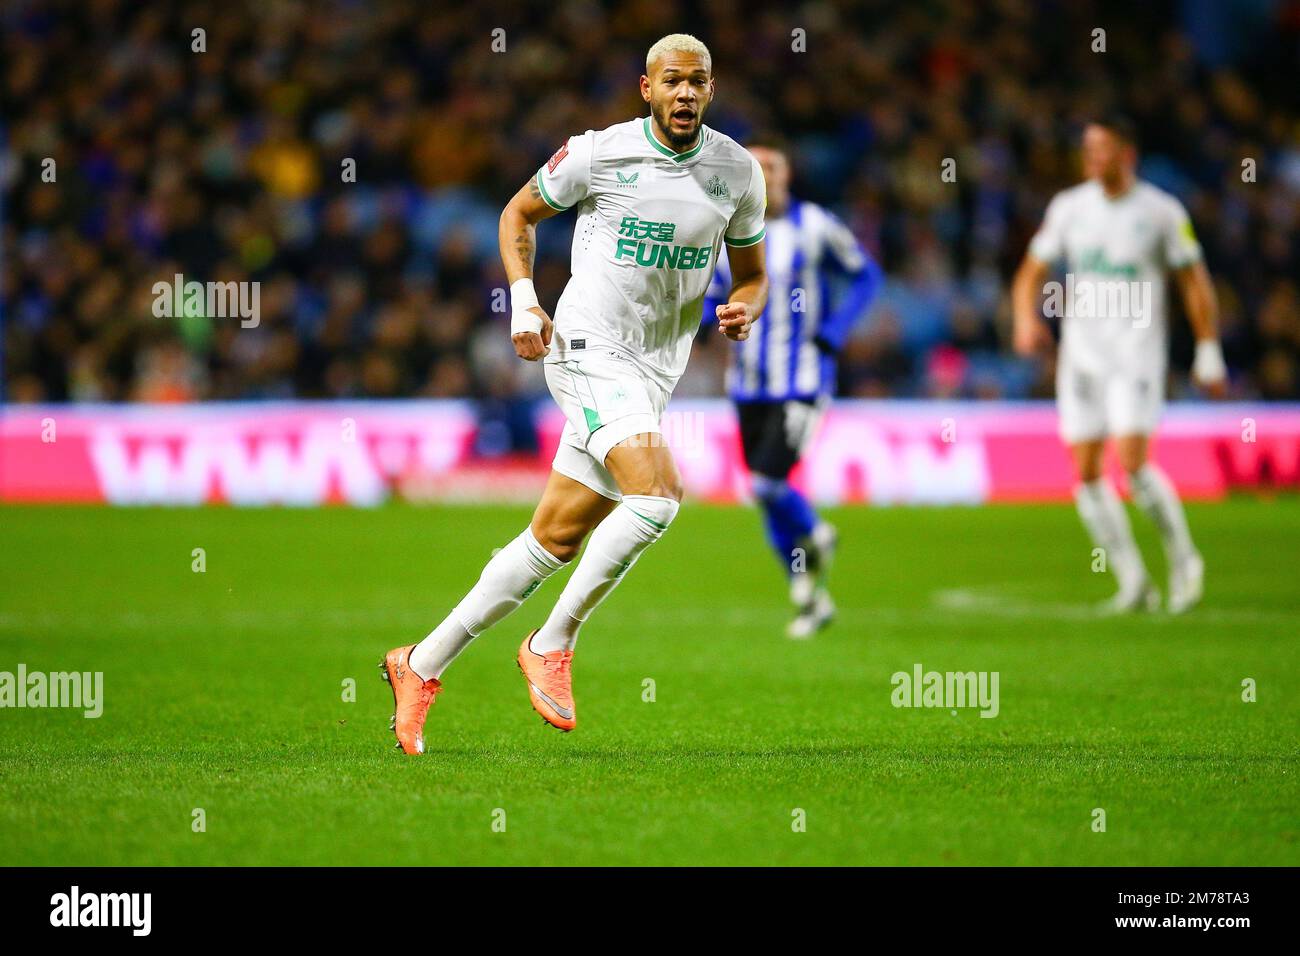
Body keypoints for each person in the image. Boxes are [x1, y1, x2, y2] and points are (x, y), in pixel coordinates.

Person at [380, 34, 769, 752]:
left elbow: (751, 272)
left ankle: (419, 663)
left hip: (654, 372)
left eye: (700, 82)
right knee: (656, 494)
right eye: (673, 81)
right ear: (645, 87)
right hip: (587, 347)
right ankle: (552, 643)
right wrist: (525, 302)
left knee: (554, 539)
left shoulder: (738, 174)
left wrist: (747, 303)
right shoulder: (599, 152)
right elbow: (516, 215)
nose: (686, 93)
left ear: (712, 91)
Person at [1011, 117, 1226, 614]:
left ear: (1127, 153)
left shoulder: (1161, 212)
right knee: (1086, 473)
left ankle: (1184, 560)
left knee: (1132, 463)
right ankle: (1133, 582)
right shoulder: (1069, 208)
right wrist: (1025, 319)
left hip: (1136, 354)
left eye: (1103, 148)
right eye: (1088, 148)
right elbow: (1031, 272)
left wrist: (1207, 347)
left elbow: (1194, 280)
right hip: (1082, 357)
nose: (1093, 157)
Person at [704, 144, 882, 637]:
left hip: (802, 380)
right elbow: (712, 298)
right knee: (766, 492)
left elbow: (866, 274)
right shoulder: (726, 232)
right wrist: (701, 322)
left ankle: (820, 533)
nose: (765, 176)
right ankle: (808, 597)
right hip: (745, 385)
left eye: (773, 168)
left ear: (788, 175)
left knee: (766, 483)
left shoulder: (816, 225)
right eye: (755, 169)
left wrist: (838, 329)